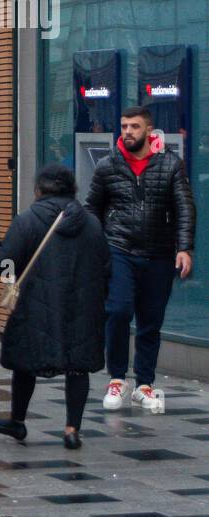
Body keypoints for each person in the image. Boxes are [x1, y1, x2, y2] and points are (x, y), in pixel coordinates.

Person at [0, 165, 110, 449]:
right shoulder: (91, 223)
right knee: (78, 366)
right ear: (72, 190)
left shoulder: (27, 220)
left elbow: (7, 262)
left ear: (38, 189)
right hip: (82, 308)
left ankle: (17, 421)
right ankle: (71, 429)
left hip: (35, 306)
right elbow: (105, 266)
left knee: (25, 362)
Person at [85, 105, 195, 411]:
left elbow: (184, 206)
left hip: (159, 253)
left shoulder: (170, 164)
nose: (128, 132)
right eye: (124, 126)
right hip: (119, 249)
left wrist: (184, 248)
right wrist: (96, 246)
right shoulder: (107, 165)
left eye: (134, 126)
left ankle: (144, 384)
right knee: (118, 311)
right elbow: (91, 208)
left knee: (150, 321)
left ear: (148, 130)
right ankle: (117, 379)